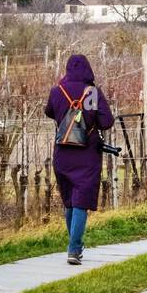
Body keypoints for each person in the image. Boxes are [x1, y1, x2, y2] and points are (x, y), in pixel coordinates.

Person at [44, 53, 114, 264]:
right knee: (80, 202)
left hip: (63, 154)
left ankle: (75, 245)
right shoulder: (92, 93)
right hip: (87, 155)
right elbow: (106, 122)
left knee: (70, 202)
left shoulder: (57, 91)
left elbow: (49, 112)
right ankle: (74, 249)